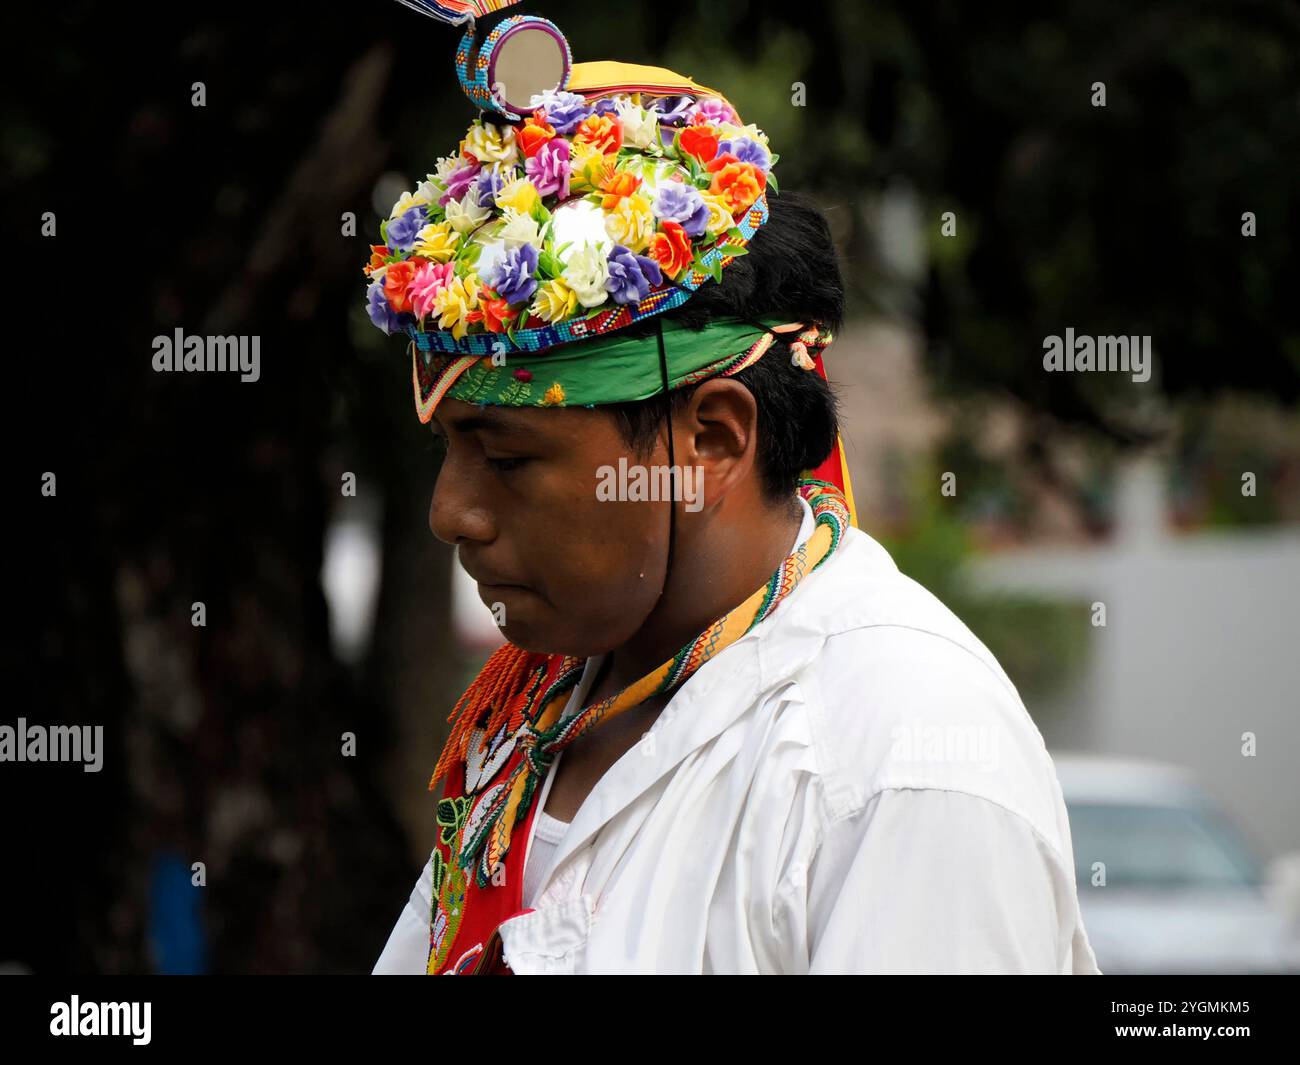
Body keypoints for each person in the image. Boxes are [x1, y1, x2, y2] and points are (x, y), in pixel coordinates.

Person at [364, 47, 1100, 974]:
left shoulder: (901, 757)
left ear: (711, 440)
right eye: (448, 451)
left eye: (508, 456)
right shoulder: (540, 711)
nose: (452, 512)